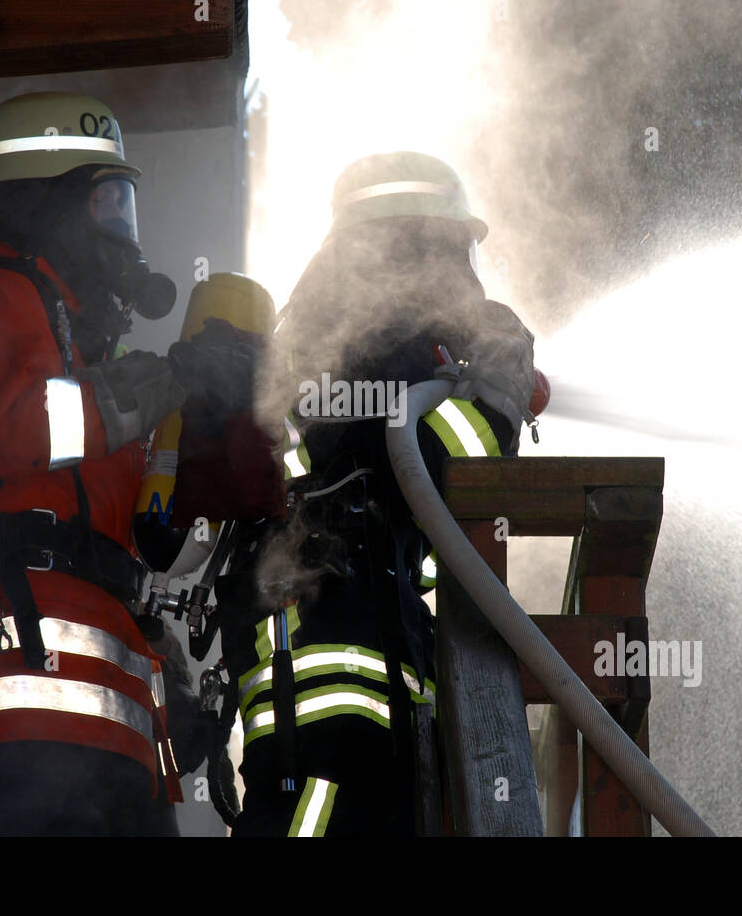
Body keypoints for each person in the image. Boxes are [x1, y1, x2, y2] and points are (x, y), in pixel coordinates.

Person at [0, 91, 254, 835]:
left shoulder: (83, 350)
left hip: (99, 706)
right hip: (19, 682)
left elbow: (128, 551)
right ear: (44, 203)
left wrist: (165, 683)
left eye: (128, 204)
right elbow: (26, 428)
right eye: (106, 203)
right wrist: (175, 376)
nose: (124, 229)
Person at [214, 151, 538, 836]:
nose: (460, 274)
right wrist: (499, 400)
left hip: (355, 644)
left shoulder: (343, 333)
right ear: (415, 244)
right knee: (317, 810)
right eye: (451, 249)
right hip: (329, 641)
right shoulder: (373, 342)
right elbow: (435, 468)